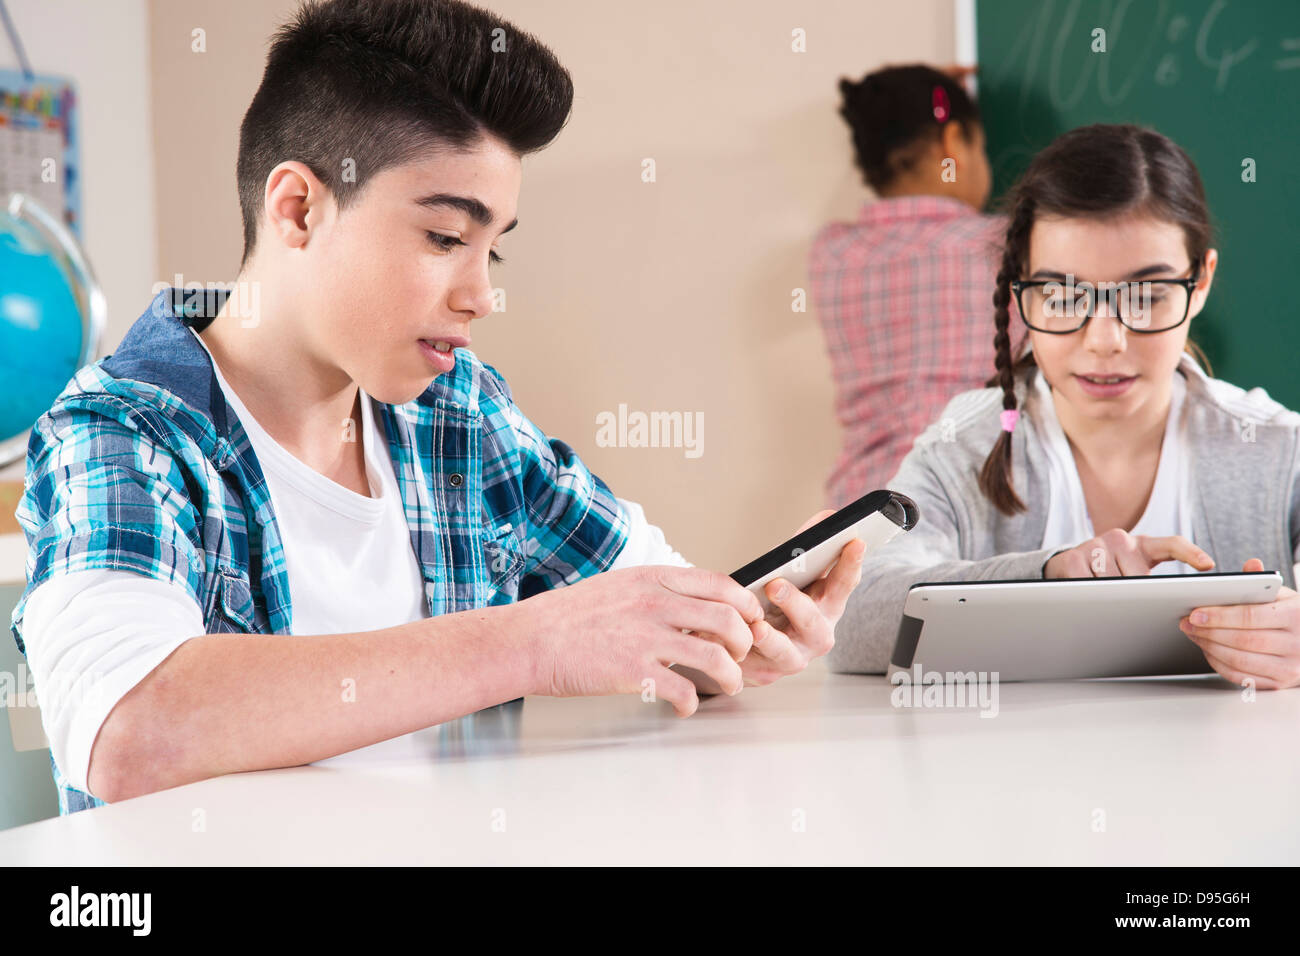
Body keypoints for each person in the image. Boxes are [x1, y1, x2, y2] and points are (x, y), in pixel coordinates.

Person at [9, 0, 865, 814]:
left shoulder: (460, 413)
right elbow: (130, 732)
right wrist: (532, 642)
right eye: (447, 238)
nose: (483, 294)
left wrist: (731, 642)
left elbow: (635, 612)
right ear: (298, 209)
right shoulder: (121, 433)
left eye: (494, 249)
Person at [827, 123, 1300, 690]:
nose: (1105, 340)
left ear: (1200, 283)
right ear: (1019, 286)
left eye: (1146, 296)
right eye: (1062, 296)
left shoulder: (1276, 452)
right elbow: (852, 620)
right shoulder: (965, 446)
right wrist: (1051, 574)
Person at [810, 63, 1024, 510]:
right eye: (977, 146)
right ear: (952, 143)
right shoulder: (1012, 246)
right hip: (978, 497)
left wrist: (915, 107)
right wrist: (936, 101)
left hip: (862, 511)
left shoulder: (831, 253)